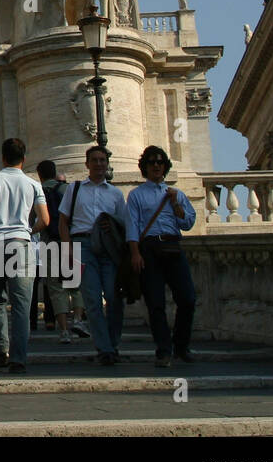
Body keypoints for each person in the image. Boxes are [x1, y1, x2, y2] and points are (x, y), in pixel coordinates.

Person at [0, 138, 47, 374]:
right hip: (21, 244)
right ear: (24, 159)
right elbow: (45, 220)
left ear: (3, 157)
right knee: (21, 305)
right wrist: (27, 230)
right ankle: (18, 357)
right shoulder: (33, 184)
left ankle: (0, 352)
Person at [58, 145, 130, 366]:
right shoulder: (75, 188)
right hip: (82, 243)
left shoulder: (116, 194)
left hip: (108, 247)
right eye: (95, 160)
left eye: (102, 160)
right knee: (91, 300)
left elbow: (124, 224)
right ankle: (105, 348)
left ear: (107, 164)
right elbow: (62, 221)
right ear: (87, 164)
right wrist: (68, 248)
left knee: (114, 296)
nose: (99, 164)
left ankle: (112, 342)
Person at [126, 146, 197, 368]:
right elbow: (132, 226)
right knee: (156, 303)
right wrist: (135, 253)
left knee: (188, 298)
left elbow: (187, 223)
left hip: (172, 246)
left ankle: (181, 345)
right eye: (152, 162)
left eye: (160, 162)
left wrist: (175, 203)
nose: (157, 166)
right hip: (149, 250)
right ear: (145, 167)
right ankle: (163, 350)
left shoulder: (177, 194)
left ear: (165, 166)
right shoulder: (136, 195)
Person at [38, 160, 87, 341]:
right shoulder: (68, 189)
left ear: (40, 174)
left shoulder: (39, 191)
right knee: (75, 284)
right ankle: (78, 320)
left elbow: (36, 219)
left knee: (55, 287)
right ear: (54, 172)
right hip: (71, 240)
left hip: (49, 242)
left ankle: (64, 330)